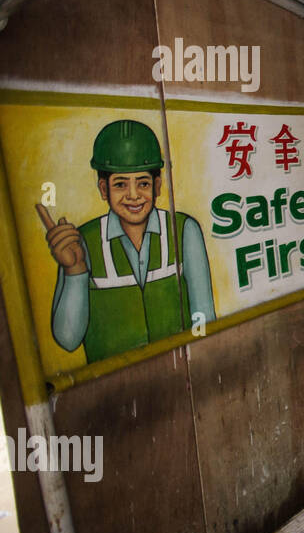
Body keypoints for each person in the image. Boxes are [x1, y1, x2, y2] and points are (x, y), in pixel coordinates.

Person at [39, 119, 215, 364]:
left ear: (157, 186)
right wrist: (75, 270)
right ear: (103, 189)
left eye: (143, 183)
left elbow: (204, 317)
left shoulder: (185, 230)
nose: (133, 195)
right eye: (120, 184)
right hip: (113, 391)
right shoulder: (82, 243)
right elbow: (68, 340)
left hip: (182, 373)